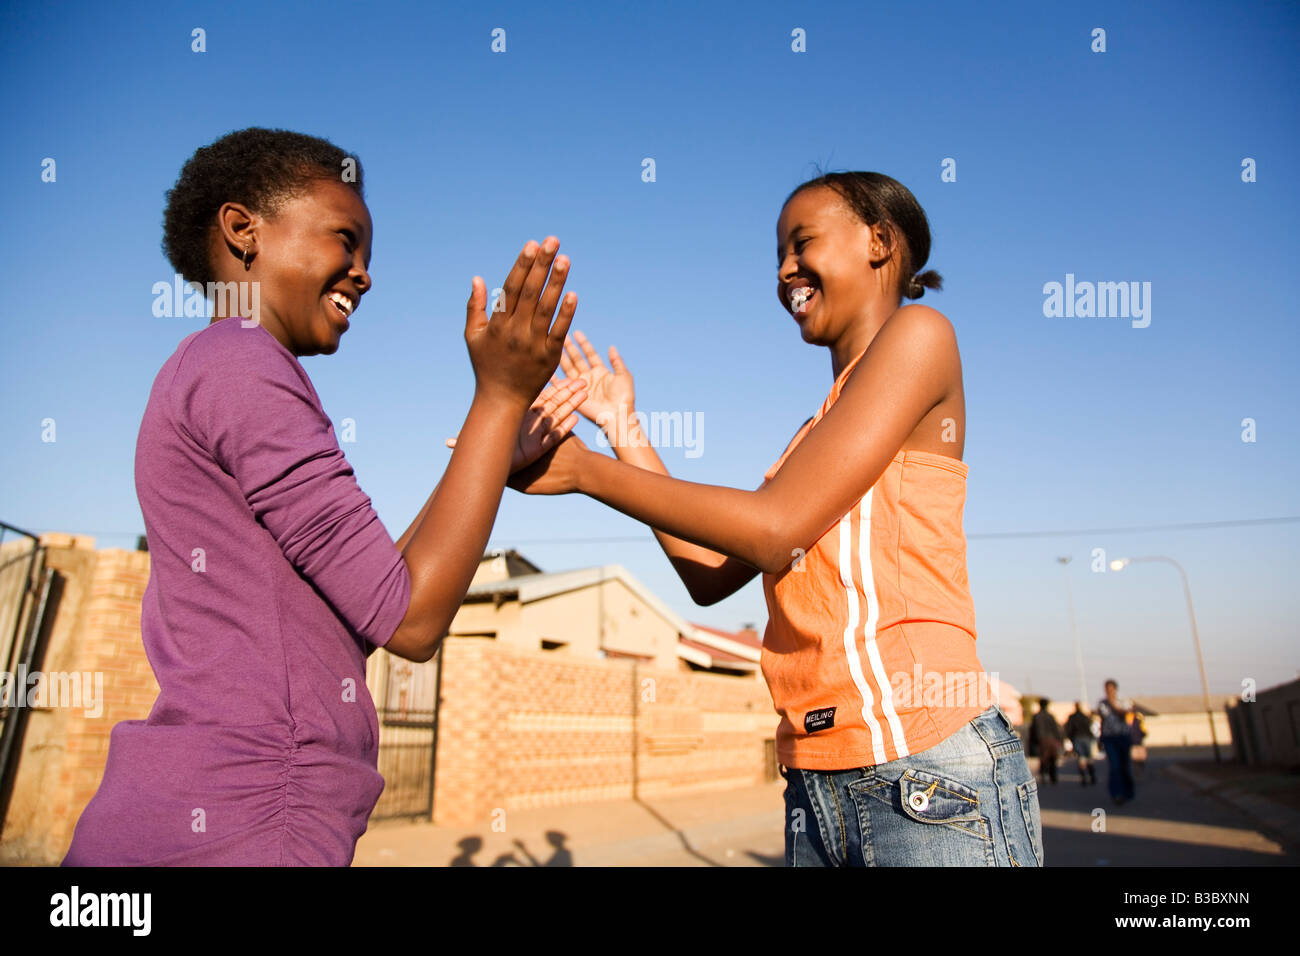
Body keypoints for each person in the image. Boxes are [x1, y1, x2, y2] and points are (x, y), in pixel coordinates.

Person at [63, 128, 584, 865]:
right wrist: (500, 398)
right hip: (249, 819)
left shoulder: (215, 366)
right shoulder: (244, 364)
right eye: (346, 240)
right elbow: (412, 620)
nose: (364, 274)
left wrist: (490, 451)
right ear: (244, 231)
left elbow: (374, 602)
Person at [508, 171, 1044, 867]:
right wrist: (626, 432)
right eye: (778, 256)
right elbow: (711, 572)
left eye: (801, 243)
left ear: (879, 242)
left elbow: (771, 526)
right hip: (818, 783)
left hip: (922, 768)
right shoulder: (814, 434)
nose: (785, 269)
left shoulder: (921, 333)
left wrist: (584, 472)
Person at [1097, 679, 1137, 805]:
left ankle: (1128, 792)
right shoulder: (1102, 704)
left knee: (1124, 766)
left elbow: (1125, 714)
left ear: (1115, 689)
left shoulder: (1124, 701)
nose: (1108, 691)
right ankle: (1116, 794)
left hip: (1123, 737)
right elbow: (1103, 718)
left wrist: (1113, 703)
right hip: (1110, 738)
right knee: (1114, 766)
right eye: (1106, 689)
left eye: (1111, 689)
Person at [1029, 698, 1064, 785]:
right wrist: (1059, 739)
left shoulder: (1037, 716)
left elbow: (1033, 730)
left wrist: (1033, 741)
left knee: (1044, 758)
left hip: (1042, 740)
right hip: (1051, 739)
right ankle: (1053, 776)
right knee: (1052, 758)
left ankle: (1044, 775)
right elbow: (1056, 729)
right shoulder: (1050, 716)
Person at [1063, 701, 1098, 786]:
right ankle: (1092, 776)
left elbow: (1068, 729)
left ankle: (1084, 777)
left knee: (1081, 758)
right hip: (1086, 738)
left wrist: (1070, 738)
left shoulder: (1073, 717)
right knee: (1088, 757)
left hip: (1078, 738)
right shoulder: (1084, 716)